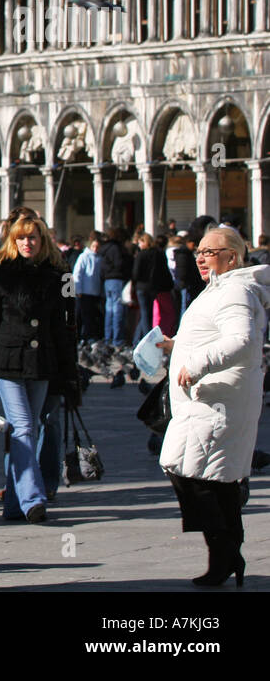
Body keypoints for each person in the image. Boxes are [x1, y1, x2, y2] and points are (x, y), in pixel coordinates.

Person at [157, 226, 268, 587]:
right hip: (209, 401)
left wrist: (198, 362)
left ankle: (225, 553)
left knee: (191, 473)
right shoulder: (221, 288)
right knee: (215, 480)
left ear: (232, 256)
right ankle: (225, 556)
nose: (201, 258)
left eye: (210, 251)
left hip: (215, 401)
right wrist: (177, 347)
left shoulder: (235, 288)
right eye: (199, 252)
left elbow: (243, 340)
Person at [0, 214, 79, 523]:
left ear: (42, 239)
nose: (27, 243)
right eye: (21, 238)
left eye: (32, 237)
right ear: (13, 240)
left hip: (42, 363)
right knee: (24, 429)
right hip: (8, 361)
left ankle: (13, 506)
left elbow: (66, 326)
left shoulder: (59, 274)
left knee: (29, 431)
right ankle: (33, 499)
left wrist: (69, 371)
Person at [132, 232, 175, 345]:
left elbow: (136, 273)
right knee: (148, 313)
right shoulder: (159, 253)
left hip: (142, 286)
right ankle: (137, 339)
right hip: (154, 287)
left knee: (144, 314)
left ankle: (146, 340)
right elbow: (163, 271)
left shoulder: (141, 255)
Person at [99, 226, 131, 348]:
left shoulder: (105, 248)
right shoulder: (117, 249)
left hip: (107, 280)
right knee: (118, 310)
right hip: (117, 279)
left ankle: (108, 338)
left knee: (109, 310)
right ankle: (117, 339)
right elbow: (119, 264)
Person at [72, 231, 104, 343]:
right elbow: (77, 274)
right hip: (84, 291)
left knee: (91, 315)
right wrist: (78, 289)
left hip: (95, 291)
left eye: (97, 247)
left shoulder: (100, 258)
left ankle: (89, 335)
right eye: (94, 246)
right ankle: (83, 336)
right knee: (83, 315)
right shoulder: (83, 256)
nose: (95, 249)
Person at [173, 233, 204, 319]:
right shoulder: (184, 254)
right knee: (185, 307)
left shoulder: (186, 254)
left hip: (187, 284)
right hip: (185, 284)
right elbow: (183, 271)